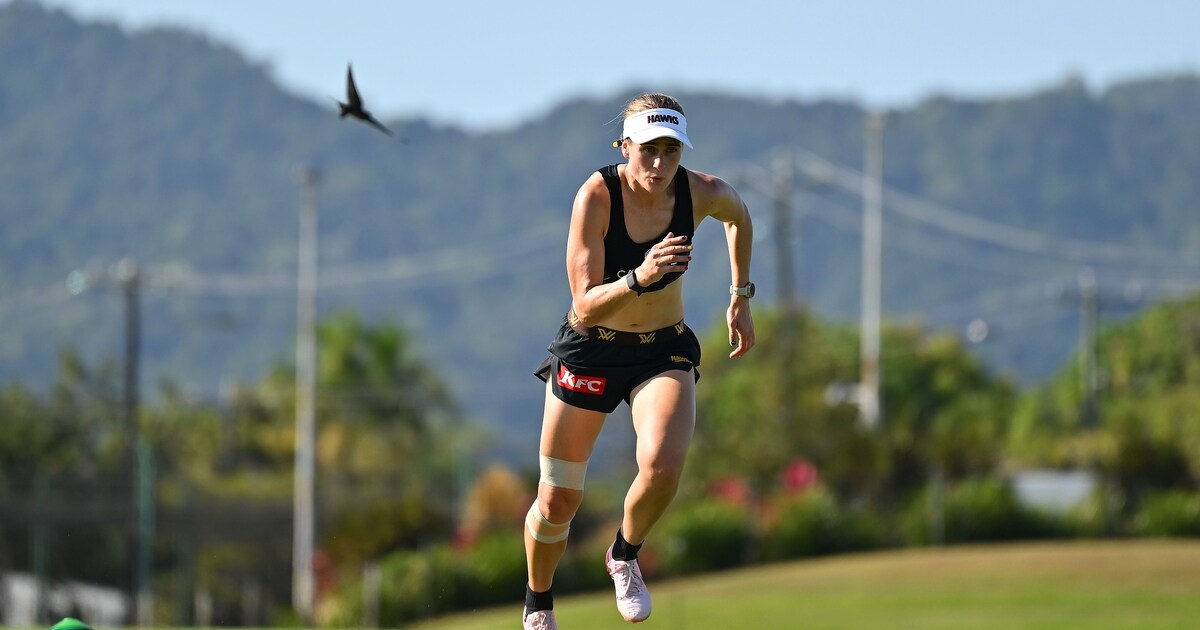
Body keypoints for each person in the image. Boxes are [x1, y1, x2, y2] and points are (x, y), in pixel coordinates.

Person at [522, 93, 756, 629]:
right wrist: (640, 277)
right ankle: (538, 604)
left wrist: (740, 295)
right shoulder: (597, 196)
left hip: (661, 349)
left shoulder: (699, 193)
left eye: (670, 150)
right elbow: (583, 302)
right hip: (592, 347)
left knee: (663, 467)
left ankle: (624, 554)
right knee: (558, 500)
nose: (657, 163)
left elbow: (739, 217)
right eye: (647, 149)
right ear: (623, 146)